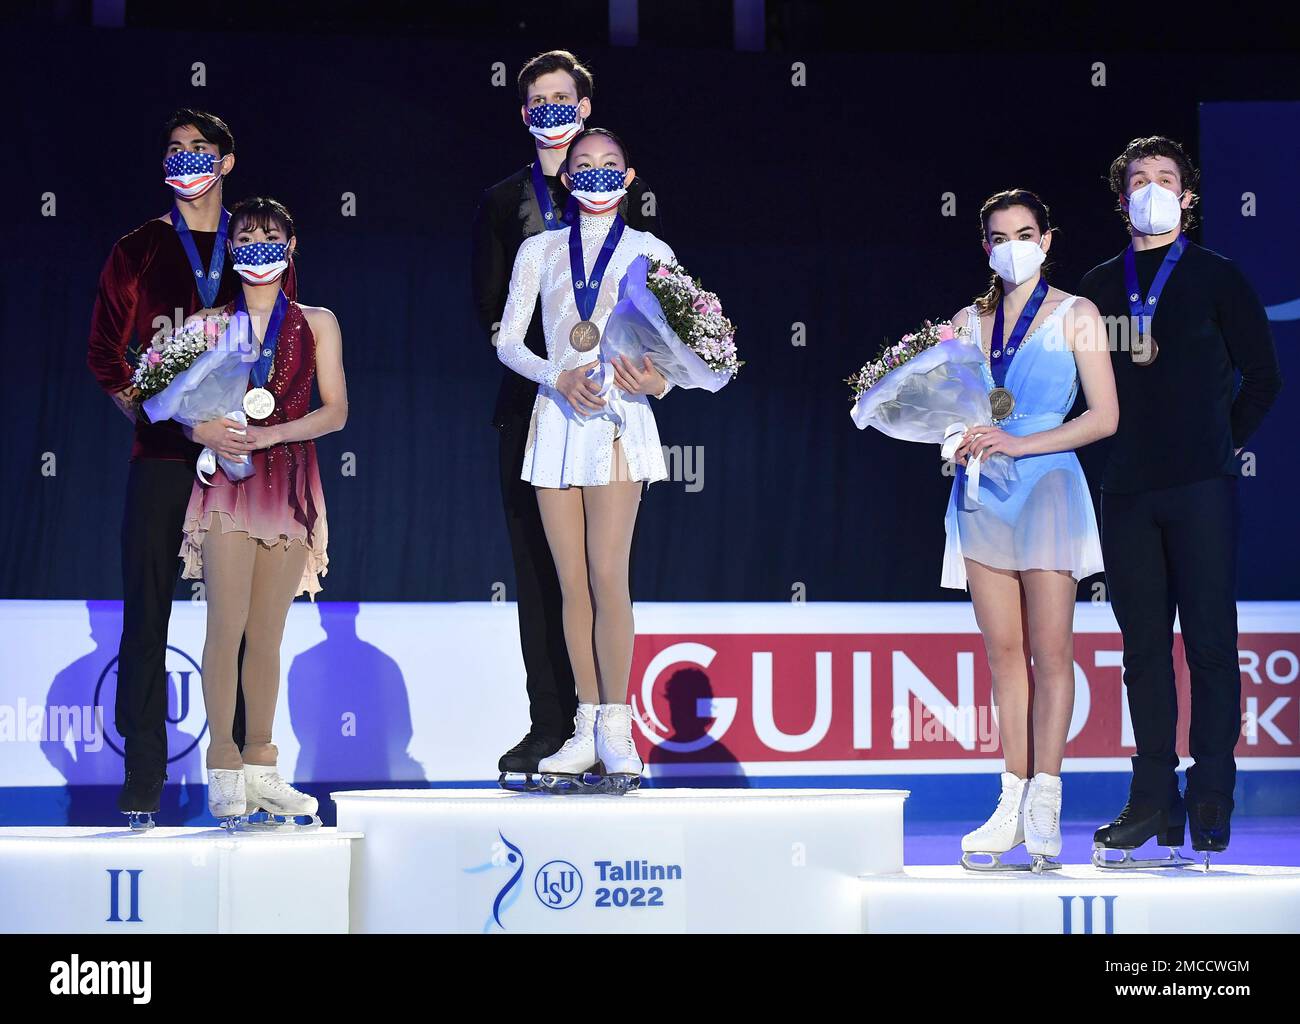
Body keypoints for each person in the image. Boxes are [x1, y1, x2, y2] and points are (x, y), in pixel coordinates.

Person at [1079, 137, 1282, 868]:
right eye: (1140, 179)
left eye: (1166, 179)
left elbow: (1263, 378)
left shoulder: (1218, 277)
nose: (1153, 189)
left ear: (1188, 197)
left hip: (1202, 489)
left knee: (1210, 648)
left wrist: (1214, 444)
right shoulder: (1097, 287)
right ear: (1122, 195)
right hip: (1127, 490)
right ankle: (1152, 796)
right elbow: (1080, 388)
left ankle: (1212, 796)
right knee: (1141, 654)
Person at [471, 50, 669, 788]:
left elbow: (672, 348)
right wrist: (555, 374)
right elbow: (505, 337)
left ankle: (619, 728)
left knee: (608, 576)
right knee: (569, 584)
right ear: (562, 171)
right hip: (552, 421)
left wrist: (658, 379)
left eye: (606, 161)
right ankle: (583, 725)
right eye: (580, 163)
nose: (591, 170)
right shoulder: (536, 249)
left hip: (618, 422)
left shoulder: (650, 249)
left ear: (626, 174)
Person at [945, 189, 1118, 870]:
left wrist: (1023, 444)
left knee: (1051, 654)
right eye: (997, 235)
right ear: (985, 246)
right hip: (982, 493)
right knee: (1003, 657)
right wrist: (953, 436)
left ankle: (1047, 800)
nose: (1011, 244)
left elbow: (1103, 417)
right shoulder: (967, 320)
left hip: (1046, 487)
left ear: (1046, 241)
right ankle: (1010, 801)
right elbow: (950, 405)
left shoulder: (1077, 314)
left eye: (1024, 232)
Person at [87, 109, 246, 828]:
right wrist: (170, 419)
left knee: (238, 619)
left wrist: (250, 426)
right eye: (175, 149)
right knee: (147, 612)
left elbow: (287, 343)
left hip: (244, 465)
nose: (188, 159)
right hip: (161, 458)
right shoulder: (139, 249)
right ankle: (143, 775)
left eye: (201, 149)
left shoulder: (257, 242)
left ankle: (240, 769)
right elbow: (104, 356)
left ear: (227, 162)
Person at [178, 196, 347, 827]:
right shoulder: (207, 324)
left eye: (270, 237)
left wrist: (275, 434)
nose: (258, 247)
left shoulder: (319, 322)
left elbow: (336, 410)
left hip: (288, 483)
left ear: (291, 246)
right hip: (228, 482)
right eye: (245, 238)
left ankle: (261, 766)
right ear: (232, 249)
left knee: (268, 635)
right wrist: (208, 433)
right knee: (226, 625)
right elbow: (171, 407)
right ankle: (222, 765)